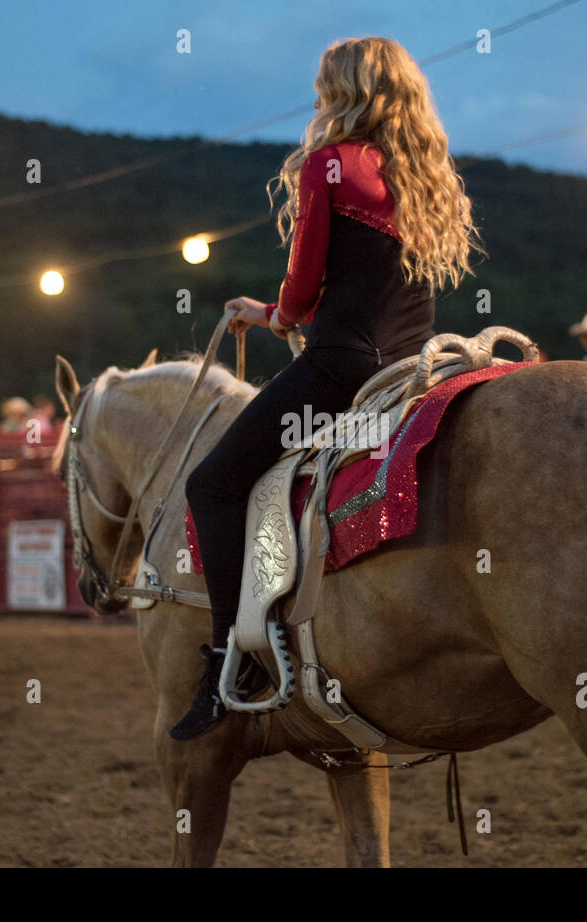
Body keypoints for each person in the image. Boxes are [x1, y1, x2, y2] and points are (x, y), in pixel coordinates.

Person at [176, 36, 481, 739]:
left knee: (213, 485)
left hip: (340, 368)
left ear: (341, 91)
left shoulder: (328, 165)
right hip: (408, 374)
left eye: (323, 86)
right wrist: (284, 314)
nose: (316, 99)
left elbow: (306, 279)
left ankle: (233, 660)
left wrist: (277, 314)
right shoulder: (425, 175)